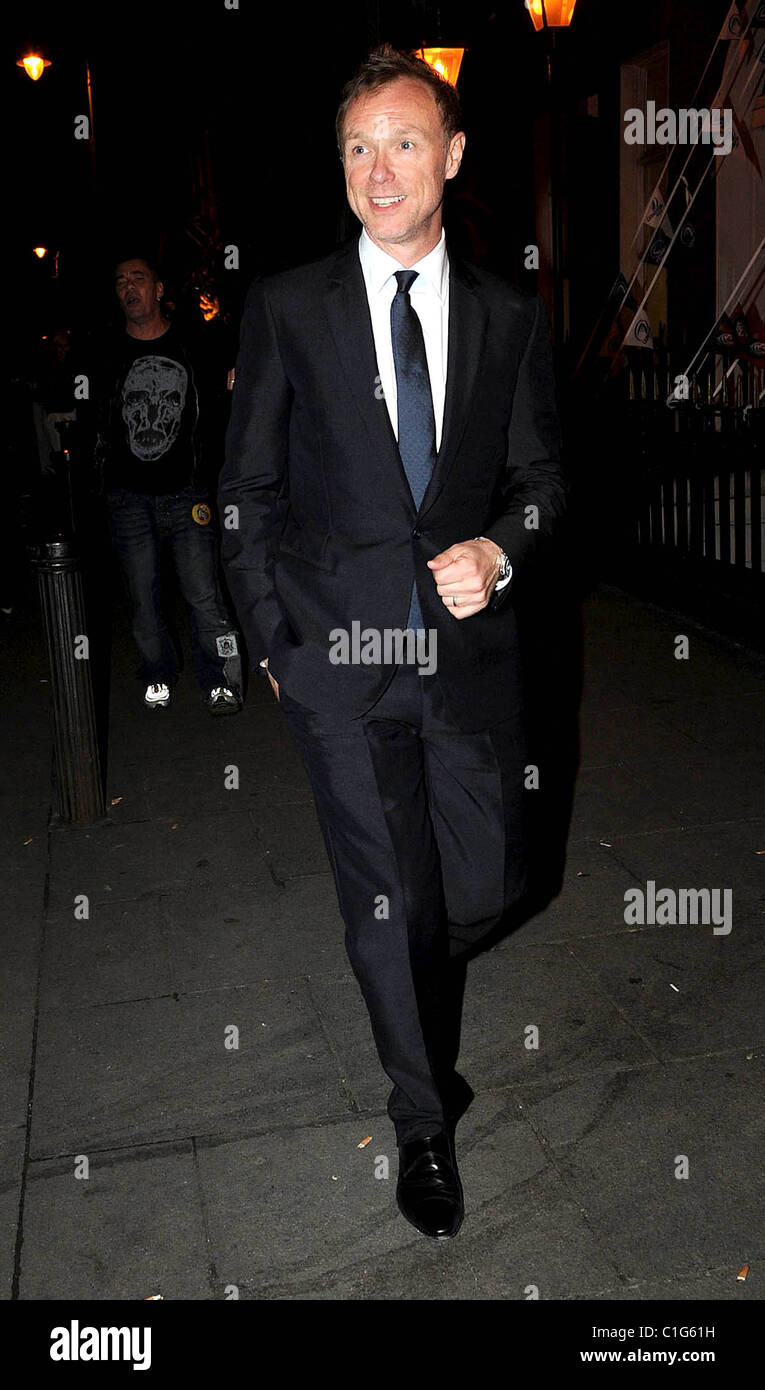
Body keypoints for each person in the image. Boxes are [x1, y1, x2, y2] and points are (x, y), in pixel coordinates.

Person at [219, 45, 566, 1238]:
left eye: (404, 141)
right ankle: (422, 1122)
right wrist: (273, 641)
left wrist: (504, 550)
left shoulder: (511, 317)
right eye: (359, 146)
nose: (379, 167)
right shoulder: (288, 306)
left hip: (469, 667)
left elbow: (544, 481)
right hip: (341, 668)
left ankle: (423, 993)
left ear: (452, 155)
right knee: (385, 904)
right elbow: (247, 492)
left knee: (486, 889)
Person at [98, 255, 242, 713]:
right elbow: (95, 419)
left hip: (187, 493)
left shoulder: (193, 343)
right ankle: (157, 671)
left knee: (203, 592)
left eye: (138, 278)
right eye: (120, 281)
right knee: (142, 593)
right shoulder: (106, 351)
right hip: (129, 496)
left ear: (158, 289)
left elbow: (226, 393)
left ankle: (221, 679)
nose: (128, 288)